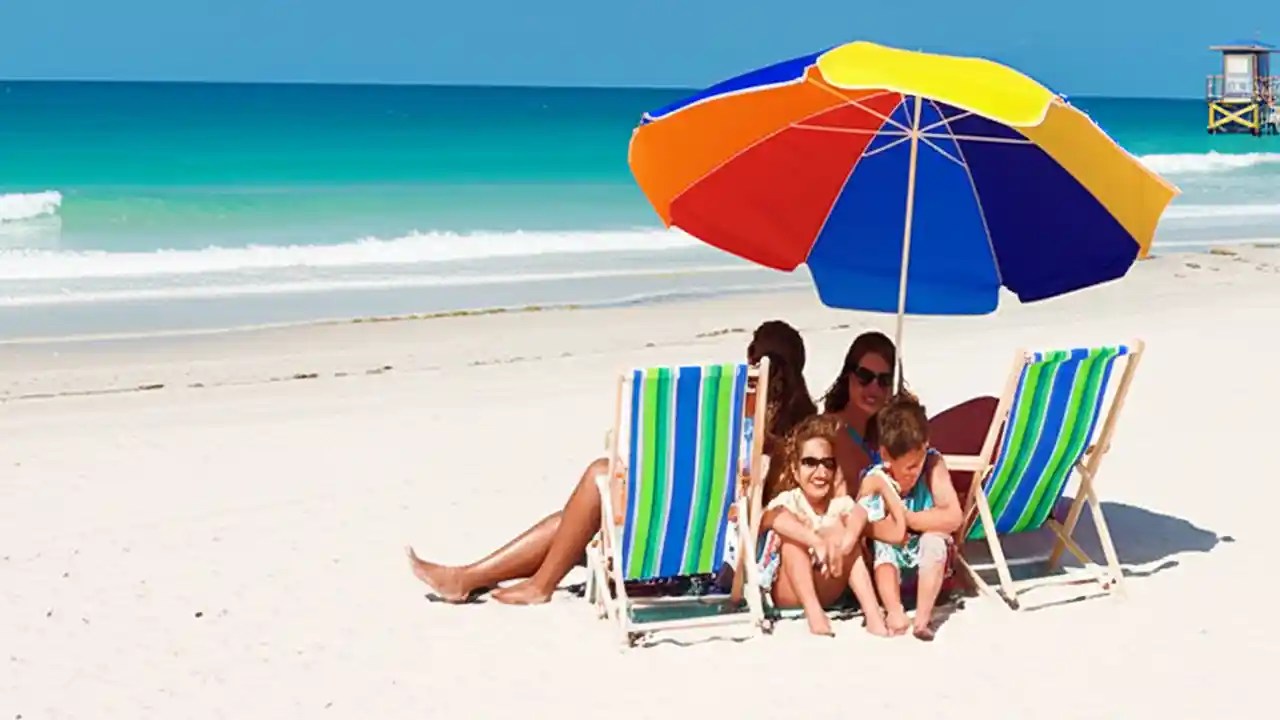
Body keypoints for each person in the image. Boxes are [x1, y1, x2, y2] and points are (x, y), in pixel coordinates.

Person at [405, 320, 818, 605]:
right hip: (696, 535)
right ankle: (470, 578)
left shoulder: (732, 413)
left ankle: (537, 585)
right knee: (579, 512)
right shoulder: (803, 428)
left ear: (752, 358)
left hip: (698, 554)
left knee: (598, 476)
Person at [762, 414, 888, 637]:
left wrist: (845, 540)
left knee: (845, 530)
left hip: (828, 587)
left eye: (827, 464)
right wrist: (816, 540)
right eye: (810, 463)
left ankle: (873, 613)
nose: (820, 473)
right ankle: (814, 614)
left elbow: (859, 513)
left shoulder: (837, 505)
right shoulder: (790, 500)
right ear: (795, 469)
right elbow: (772, 518)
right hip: (789, 593)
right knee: (792, 542)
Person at [859, 392, 962, 641]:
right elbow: (867, 526)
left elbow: (953, 516)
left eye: (920, 461)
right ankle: (895, 610)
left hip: (929, 566)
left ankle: (923, 620)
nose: (915, 472)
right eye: (909, 467)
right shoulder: (876, 479)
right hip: (891, 563)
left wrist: (908, 519)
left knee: (934, 540)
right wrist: (894, 530)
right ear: (885, 456)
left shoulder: (932, 465)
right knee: (884, 548)